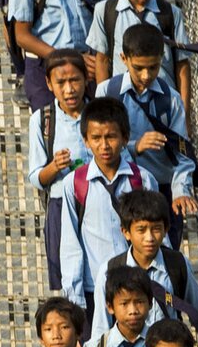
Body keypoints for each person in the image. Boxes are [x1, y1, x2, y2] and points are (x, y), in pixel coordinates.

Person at [93, 24, 198, 239]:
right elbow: (97, 145)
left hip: (162, 192)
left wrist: (180, 191)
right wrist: (135, 147)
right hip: (121, 189)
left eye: (153, 67)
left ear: (162, 60)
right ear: (124, 59)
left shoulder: (171, 99)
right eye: (138, 67)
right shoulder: (107, 93)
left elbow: (182, 154)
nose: (145, 75)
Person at [56, 98, 149, 319]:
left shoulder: (142, 180)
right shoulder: (75, 183)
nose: (104, 146)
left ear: (125, 138)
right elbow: (70, 244)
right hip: (93, 288)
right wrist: (73, 301)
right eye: (96, 138)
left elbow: (154, 234)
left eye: (111, 137)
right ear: (86, 141)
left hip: (136, 289)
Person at [102, 189, 198, 347]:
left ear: (166, 229)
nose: (149, 237)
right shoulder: (111, 270)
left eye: (156, 229)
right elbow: (101, 327)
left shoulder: (176, 264)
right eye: (141, 230)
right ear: (126, 232)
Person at [86, 0, 193, 102]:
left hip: (164, 105)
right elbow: (102, 60)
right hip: (123, 104)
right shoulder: (105, 11)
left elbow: (182, 66)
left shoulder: (171, 14)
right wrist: (106, 106)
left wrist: (184, 117)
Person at [27, 56, 95, 291]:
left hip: (96, 202)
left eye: (75, 80)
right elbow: (36, 177)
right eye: (61, 82)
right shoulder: (42, 120)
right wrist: (54, 167)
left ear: (86, 80)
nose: (69, 89)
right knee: (70, 282)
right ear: (48, 83)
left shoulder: (97, 113)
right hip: (61, 207)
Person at [85, 264, 160, 347]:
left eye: (139, 302)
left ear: (150, 303)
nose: (133, 310)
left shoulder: (161, 344)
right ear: (110, 307)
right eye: (124, 303)